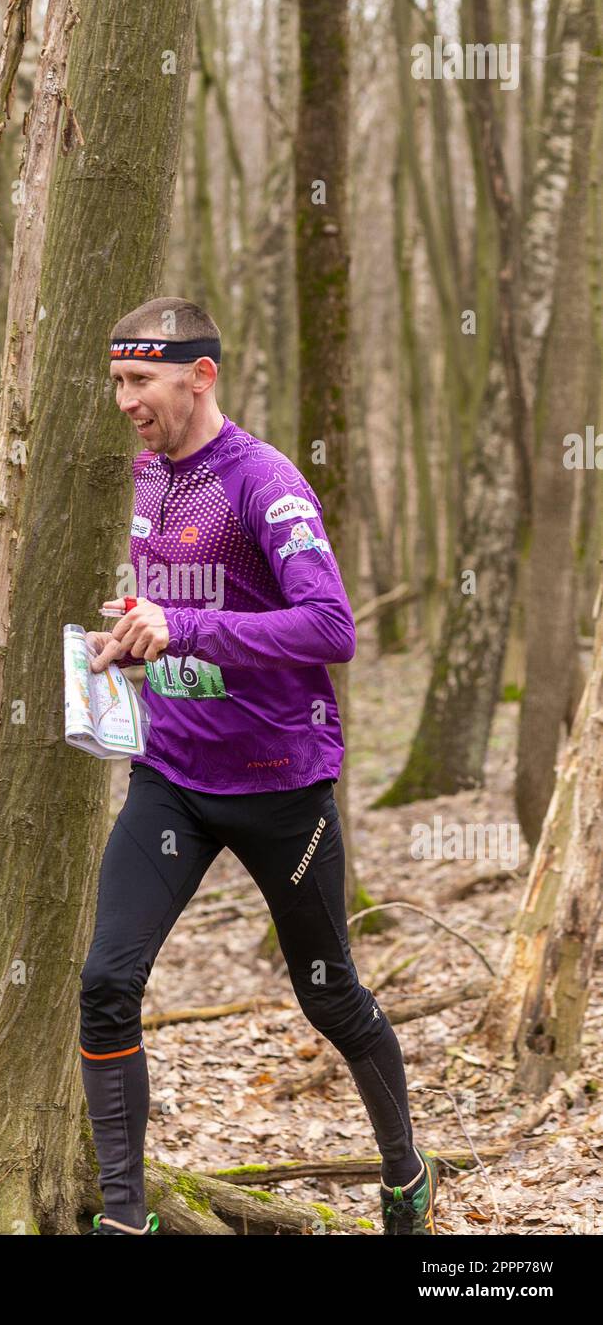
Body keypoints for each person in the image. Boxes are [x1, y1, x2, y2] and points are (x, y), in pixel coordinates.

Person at [80, 296, 437, 1237]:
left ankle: (405, 1173)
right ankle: (125, 1221)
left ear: (200, 376)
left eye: (140, 381)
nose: (124, 401)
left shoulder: (264, 483)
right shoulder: (147, 481)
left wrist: (187, 625)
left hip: (283, 787)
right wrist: (125, 639)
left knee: (330, 997)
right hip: (173, 783)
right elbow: (171, 605)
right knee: (107, 982)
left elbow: (333, 628)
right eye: (118, 381)